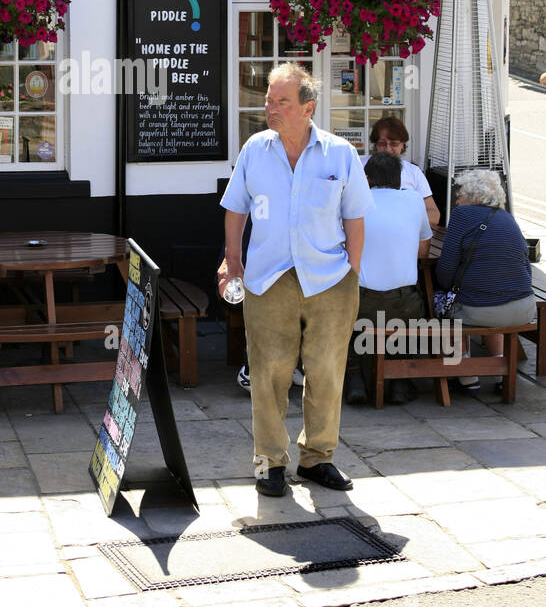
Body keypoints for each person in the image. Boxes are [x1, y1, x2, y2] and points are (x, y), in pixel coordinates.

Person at [218, 63, 372, 497]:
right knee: (268, 375)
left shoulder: (340, 154)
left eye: (281, 101)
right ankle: (269, 462)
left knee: (326, 372)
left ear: (308, 108)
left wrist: (352, 275)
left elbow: (356, 218)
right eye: (269, 99)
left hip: (329, 281)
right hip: (268, 281)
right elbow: (236, 208)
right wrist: (232, 260)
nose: (271, 108)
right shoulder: (254, 150)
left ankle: (318, 458)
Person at [435, 168, 536, 393]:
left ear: (475, 197)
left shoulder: (462, 216)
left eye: (460, 194)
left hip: (481, 310)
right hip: (524, 308)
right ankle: (500, 369)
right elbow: (525, 267)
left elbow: (445, 271)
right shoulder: (507, 218)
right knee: (491, 294)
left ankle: (466, 376)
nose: (457, 200)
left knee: (443, 301)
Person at [346, 152, 433, 406]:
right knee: (414, 308)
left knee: (340, 311)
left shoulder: (352, 202)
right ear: (399, 179)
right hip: (403, 304)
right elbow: (422, 252)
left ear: (367, 178)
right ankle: (399, 383)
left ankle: (354, 379)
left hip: (361, 303)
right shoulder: (414, 200)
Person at [368, 117, 440, 227]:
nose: (387, 149)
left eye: (394, 144)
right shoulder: (359, 166)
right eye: (382, 143)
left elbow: (434, 214)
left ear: (403, 145)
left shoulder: (414, 172)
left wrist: (402, 223)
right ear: (375, 144)